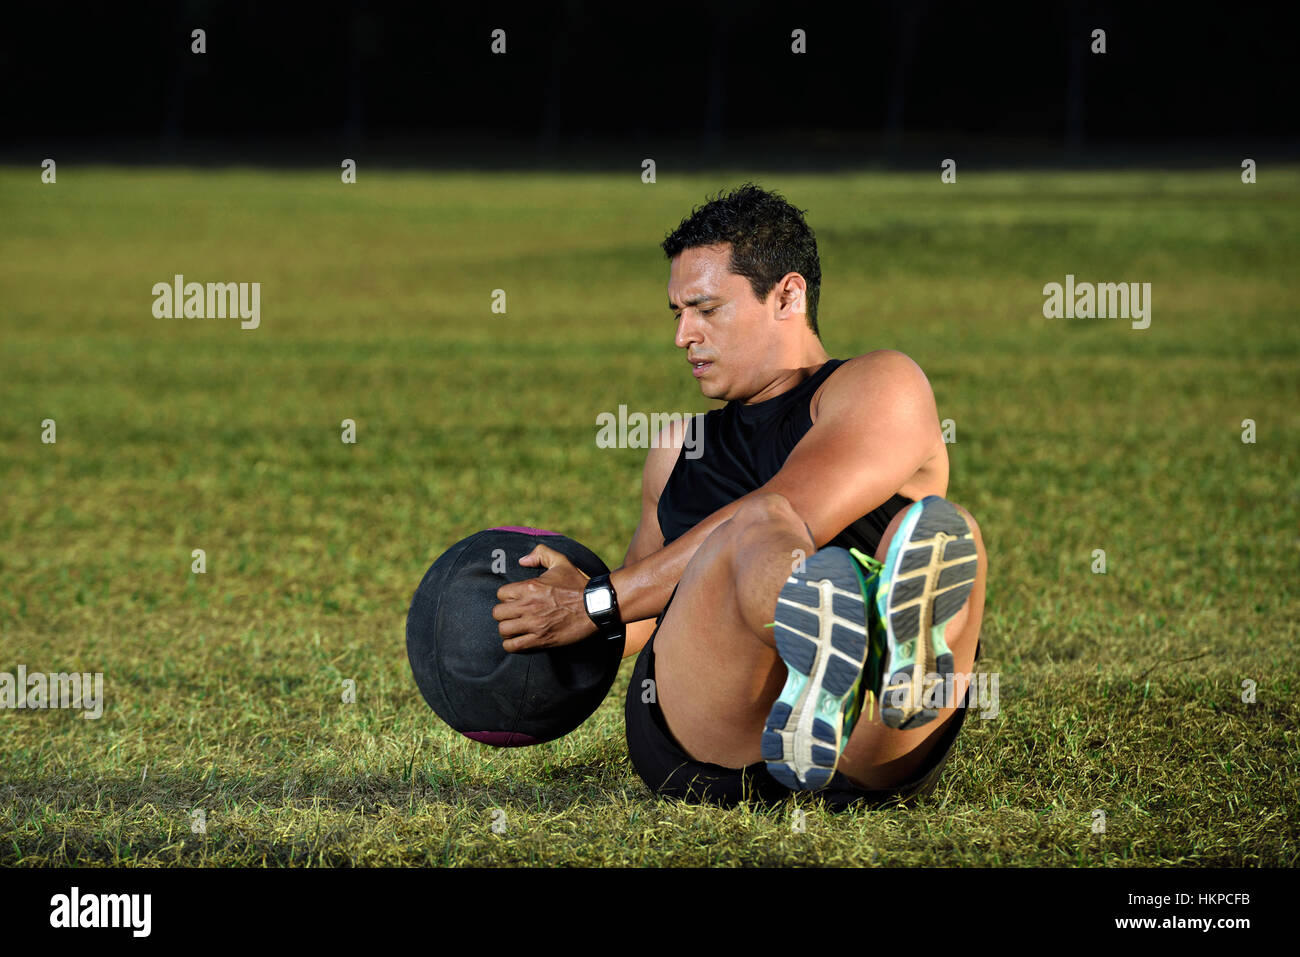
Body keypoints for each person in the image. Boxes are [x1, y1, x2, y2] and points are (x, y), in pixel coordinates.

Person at [493, 183, 987, 809]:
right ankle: (834, 649)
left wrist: (594, 600)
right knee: (755, 529)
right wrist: (580, 599)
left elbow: (791, 509)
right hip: (707, 741)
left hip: (863, 758)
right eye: (677, 313)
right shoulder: (679, 448)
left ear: (788, 295)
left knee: (945, 528)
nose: (683, 336)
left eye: (705, 309)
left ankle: (874, 672)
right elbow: (643, 618)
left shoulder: (881, 385)